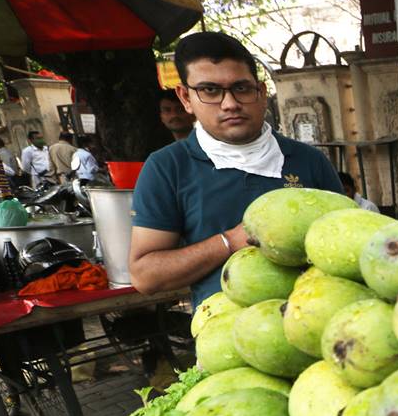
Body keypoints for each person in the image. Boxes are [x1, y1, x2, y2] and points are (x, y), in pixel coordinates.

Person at [129, 31, 343, 306]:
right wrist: (229, 241)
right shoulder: (167, 168)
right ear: (185, 98)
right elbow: (146, 277)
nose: (230, 104)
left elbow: (342, 242)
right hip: (224, 337)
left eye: (241, 88)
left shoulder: (308, 160)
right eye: (210, 90)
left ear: (262, 93)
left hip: (315, 326)